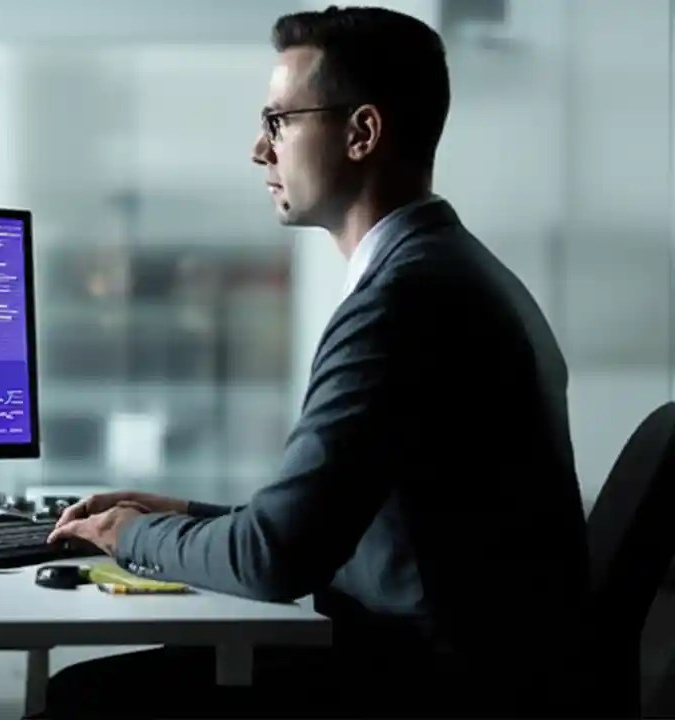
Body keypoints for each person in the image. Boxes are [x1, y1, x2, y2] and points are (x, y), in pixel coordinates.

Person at [37, 5, 590, 719]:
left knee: (84, 698)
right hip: (474, 667)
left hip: (427, 685)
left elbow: (275, 560)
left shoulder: (400, 301)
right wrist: (183, 514)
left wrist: (131, 537)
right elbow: (325, 528)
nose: (258, 152)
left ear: (361, 132)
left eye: (278, 122)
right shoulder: (454, 271)